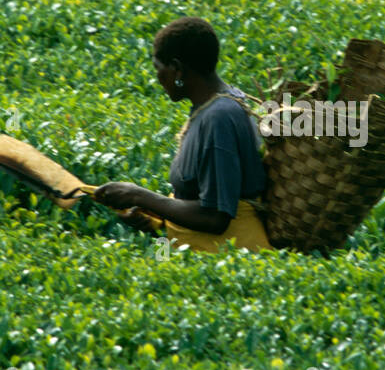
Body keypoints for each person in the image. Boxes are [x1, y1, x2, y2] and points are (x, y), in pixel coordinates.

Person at [95, 17, 273, 253]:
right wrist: (157, 219)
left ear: (177, 69)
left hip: (231, 253)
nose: (157, 78)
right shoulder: (219, 103)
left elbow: (215, 218)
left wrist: (138, 195)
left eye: (159, 68)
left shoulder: (218, 118)